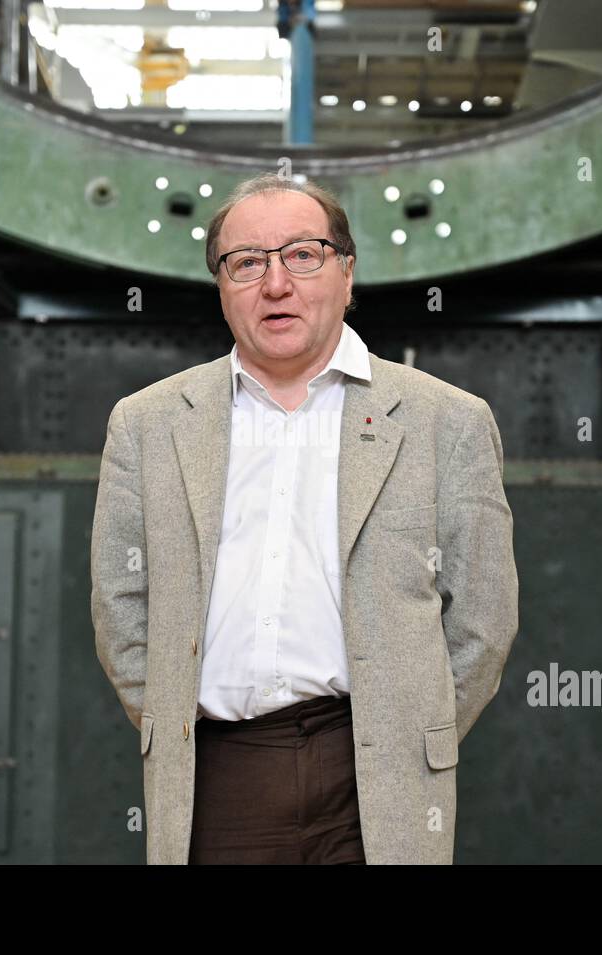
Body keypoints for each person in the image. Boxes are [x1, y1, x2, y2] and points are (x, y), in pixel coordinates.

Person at [91, 172, 519, 864]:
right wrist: (174, 719)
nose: (276, 283)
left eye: (302, 254)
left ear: (347, 274)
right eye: (247, 263)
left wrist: (410, 732)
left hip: (378, 784)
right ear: (222, 288)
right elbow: (121, 610)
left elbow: (482, 620)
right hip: (220, 779)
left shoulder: (449, 422)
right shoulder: (148, 425)